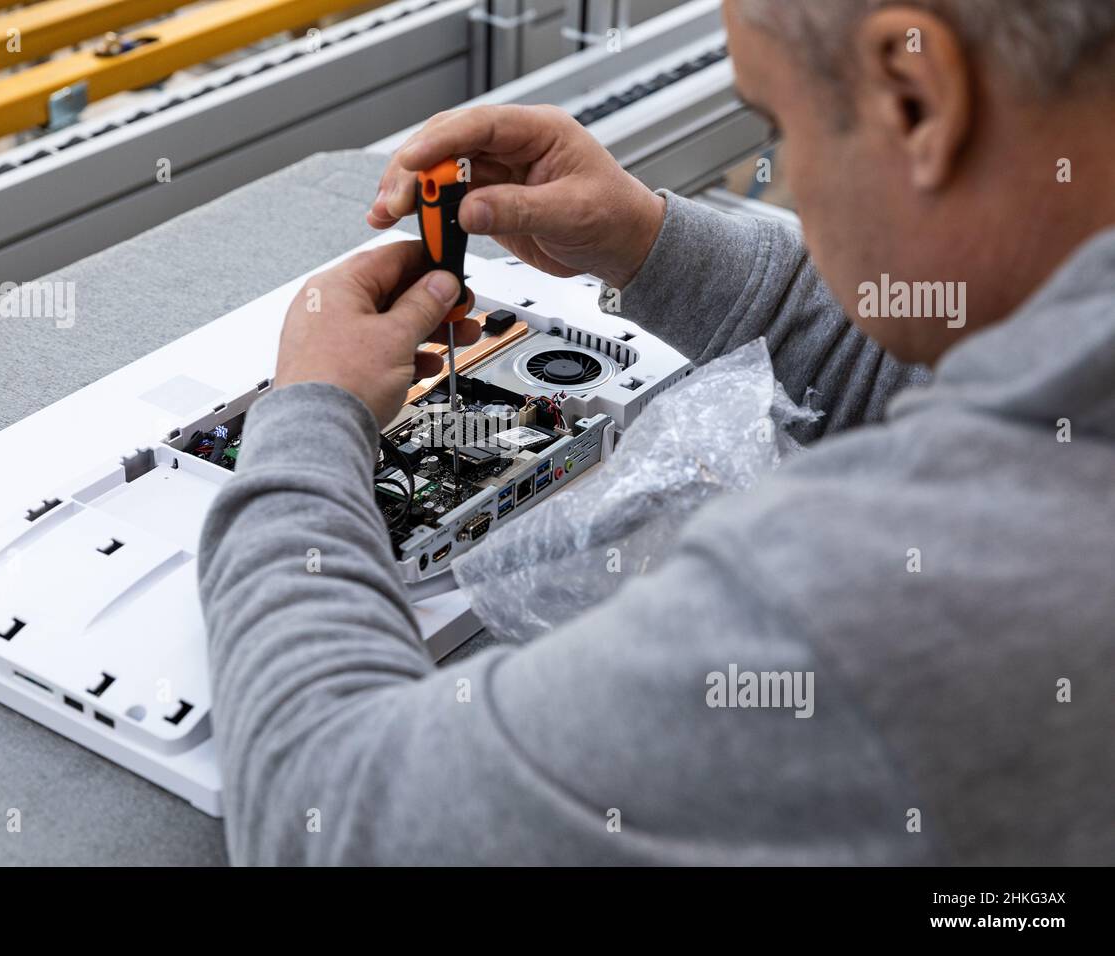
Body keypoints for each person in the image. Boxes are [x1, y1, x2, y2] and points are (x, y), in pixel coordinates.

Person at [198, 0, 1115, 864]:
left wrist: (310, 409)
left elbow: (326, 810)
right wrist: (646, 241)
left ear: (915, 98)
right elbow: (933, 358)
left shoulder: (874, 597)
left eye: (778, 129)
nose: (781, 157)